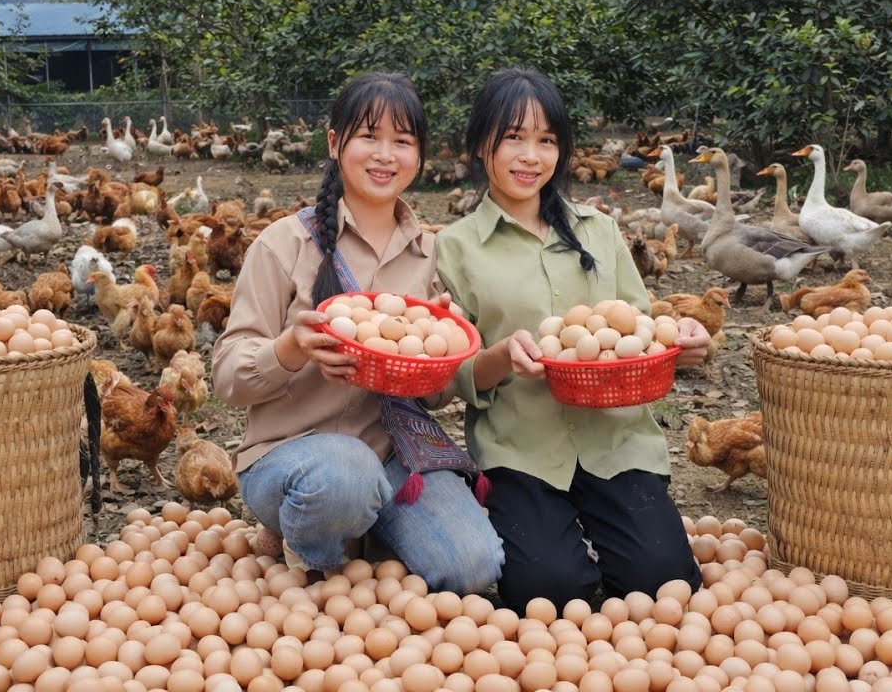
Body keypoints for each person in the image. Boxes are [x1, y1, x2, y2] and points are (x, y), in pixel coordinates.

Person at [212, 72, 503, 591]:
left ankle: (364, 528)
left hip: (396, 458)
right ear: (334, 143)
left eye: (403, 141)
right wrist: (289, 350)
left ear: (420, 155)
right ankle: (311, 545)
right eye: (369, 136)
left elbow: (435, 397)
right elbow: (227, 378)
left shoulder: (431, 255)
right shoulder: (283, 244)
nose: (385, 154)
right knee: (344, 473)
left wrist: (439, 349)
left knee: (472, 566)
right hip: (290, 456)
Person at [435, 68, 709, 612]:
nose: (529, 155)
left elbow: (640, 331)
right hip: (522, 446)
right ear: (481, 144)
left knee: (660, 580)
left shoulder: (598, 231)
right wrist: (500, 357)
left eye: (546, 140)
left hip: (613, 437)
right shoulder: (453, 247)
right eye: (513, 136)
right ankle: (549, 533)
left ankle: (602, 531)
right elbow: (450, 376)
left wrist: (685, 342)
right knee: (547, 591)